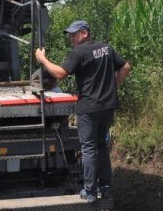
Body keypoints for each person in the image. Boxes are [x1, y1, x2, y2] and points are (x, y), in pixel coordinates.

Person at [34, 20, 131, 201]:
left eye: (74, 34)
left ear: (84, 33)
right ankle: (106, 187)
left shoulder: (79, 52)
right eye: (70, 35)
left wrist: (43, 59)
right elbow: (125, 67)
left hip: (89, 108)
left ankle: (90, 191)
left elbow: (60, 74)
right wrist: (112, 88)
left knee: (88, 148)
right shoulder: (106, 48)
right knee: (101, 145)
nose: (71, 38)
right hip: (108, 106)